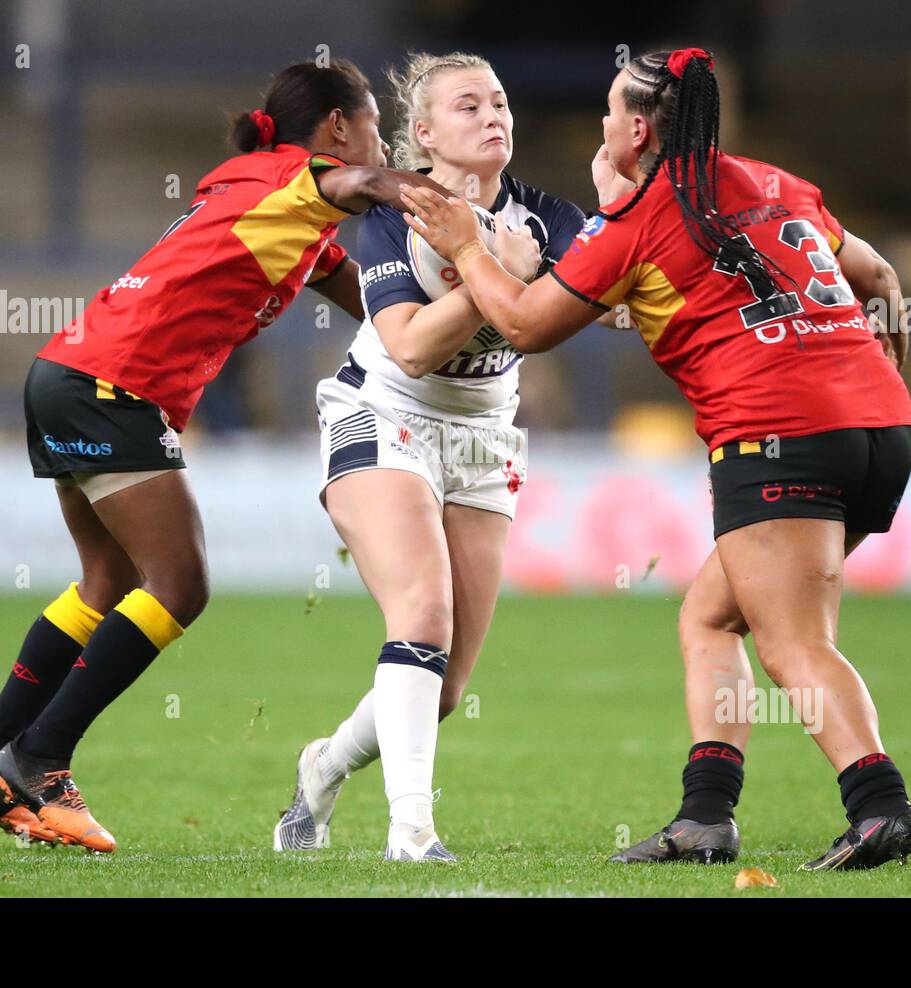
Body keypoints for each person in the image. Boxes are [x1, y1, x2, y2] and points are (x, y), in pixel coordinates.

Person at [400, 47, 911, 871]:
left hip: (776, 434)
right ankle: (704, 818)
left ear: (638, 129)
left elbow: (526, 325)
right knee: (711, 616)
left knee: (793, 645)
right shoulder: (772, 182)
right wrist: (883, 327)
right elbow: (876, 271)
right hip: (882, 427)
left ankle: (880, 807)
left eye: (613, 109)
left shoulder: (635, 223)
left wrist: (468, 246)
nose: (603, 122)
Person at [0, 58, 450, 853]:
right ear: (341, 129)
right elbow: (352, 187)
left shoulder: (280, 210)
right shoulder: (294, 179)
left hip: (73, 374)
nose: (376, 145)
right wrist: (407, 186)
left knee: (107, 583)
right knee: (180, 584)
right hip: (114, 385)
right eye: (374, 128)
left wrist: (475, 315)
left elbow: (383, 311)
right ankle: (38, 759)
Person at [273, 51, 585, 861]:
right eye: (468, 106)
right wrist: (495, 279)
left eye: (501, 102)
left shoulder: (551, 219)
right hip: (383, 412)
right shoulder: (392, 211)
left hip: (485, 436)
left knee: (442, 689)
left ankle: (324, 765)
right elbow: (408, 347)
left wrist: (507, 274)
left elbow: (561, 321)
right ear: (423, 134)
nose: (493, 117)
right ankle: (412, 832)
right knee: (421, 616)